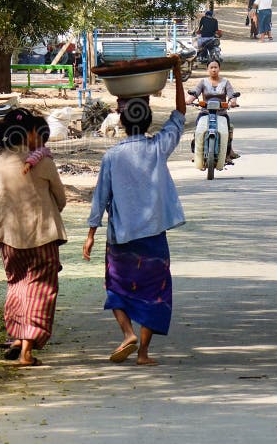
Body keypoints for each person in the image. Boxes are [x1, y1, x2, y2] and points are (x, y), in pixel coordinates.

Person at [83, 57, 186, 366]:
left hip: (121, 237)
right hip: (153, 236)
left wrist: (90, 235)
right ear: (148, 120)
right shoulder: (159, 147)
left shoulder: (112, 156)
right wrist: (178, 73)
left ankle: (126, 332)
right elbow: (180, 113)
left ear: (123, 123)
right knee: (155, 292)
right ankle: (142, 352)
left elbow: (100, 198)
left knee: (116, 288)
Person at [0, 109, 67, 366]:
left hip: (8, 237)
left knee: (17, 284)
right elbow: (60, 199)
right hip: (42, 236)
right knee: (41, 289)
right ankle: (27, 351)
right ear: (29, 134)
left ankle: (18, 336)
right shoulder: (43, 163)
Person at [185, 60, 240, 162]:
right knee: (198, 131)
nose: (214, 69)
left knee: (228, 131)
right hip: (205, 112)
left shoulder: (225, 82)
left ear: (219, 69)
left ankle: (228, 153)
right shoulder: (203, 82)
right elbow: (195, 93)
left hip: (221, 113)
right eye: (211, 67)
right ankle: (197, 153)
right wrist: (188, 100)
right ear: (207, 69)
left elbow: (231, 94)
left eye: (216, 67)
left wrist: (233, 101)